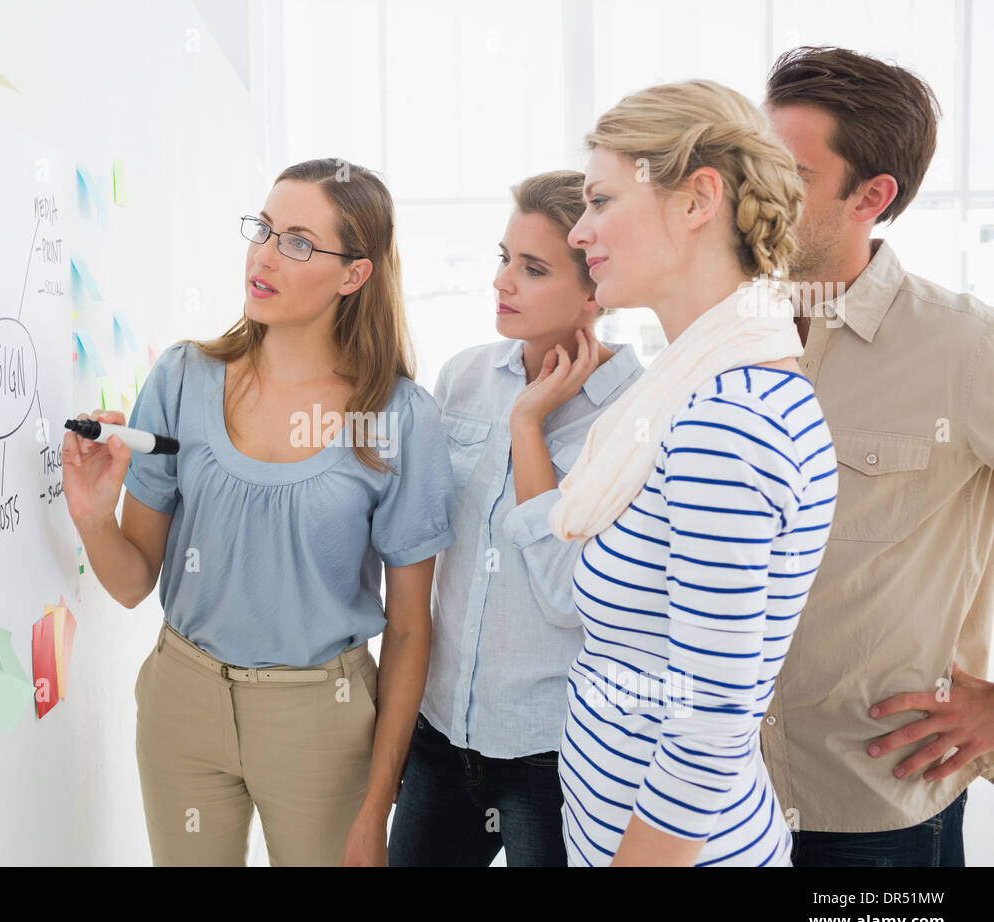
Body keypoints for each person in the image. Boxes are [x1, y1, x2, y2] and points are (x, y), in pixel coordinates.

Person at [62, 158, 456, 866]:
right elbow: (131, 584)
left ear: (353, 275)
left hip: (321, 721)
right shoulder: (183, 378)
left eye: (299, 241)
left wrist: (378, 802)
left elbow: (407, 631)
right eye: (264, 228)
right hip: (182, 700)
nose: (265, 255)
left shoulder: (398, 418)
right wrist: (95, 515)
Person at [554, 79, 837, 866]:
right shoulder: (710, 390)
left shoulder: (727, 421)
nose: (581, 232)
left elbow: (709, 725)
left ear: (695, 200)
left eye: (601, 200)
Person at [760, 46, 994, 867]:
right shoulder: (711, 340)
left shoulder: (967, 348)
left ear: (872, 195)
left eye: (786, 175)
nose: (753, 196)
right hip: (719, 805)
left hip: (873, 816)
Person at [388, 171, 642, 866]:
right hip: (440, 737)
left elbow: (570, 599)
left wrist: (528, 426)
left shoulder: (638, 415)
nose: (502, 282)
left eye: (532, 269)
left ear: (597, 288)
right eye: (505, 258)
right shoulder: (463, 377)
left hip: (551, 758)